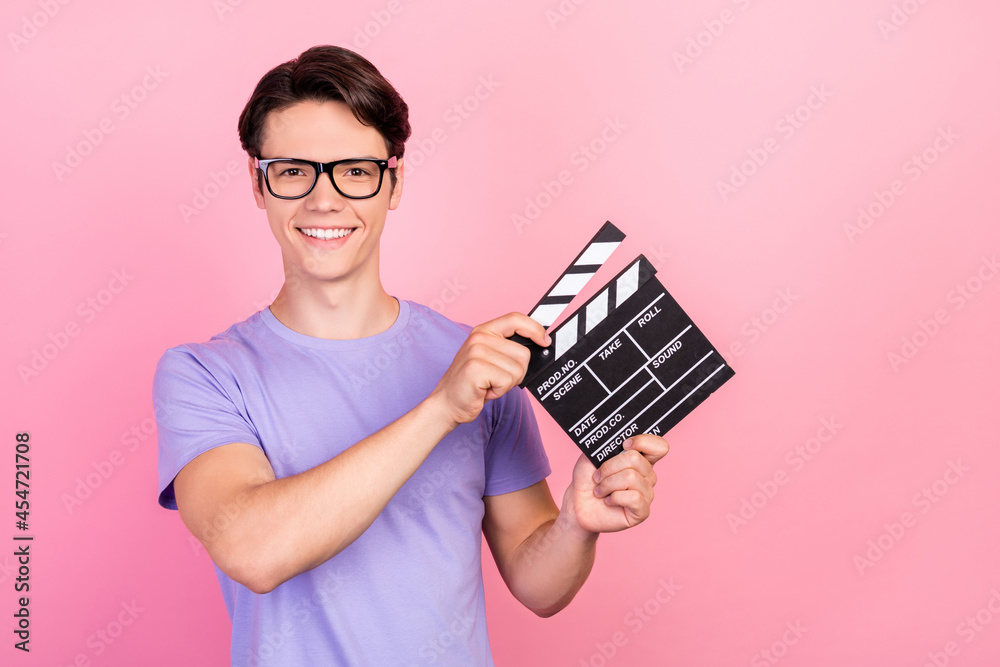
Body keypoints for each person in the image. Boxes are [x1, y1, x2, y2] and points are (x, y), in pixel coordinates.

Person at [153, 44, 668, 666]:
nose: (324, 199)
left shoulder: (478, 363)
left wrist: (575, 525)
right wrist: (439, 409)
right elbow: (254, 551)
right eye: (293, 170)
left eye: (356, 170)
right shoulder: (206, 375)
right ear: (260, 186)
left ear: (393, 183)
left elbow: (540, 587)